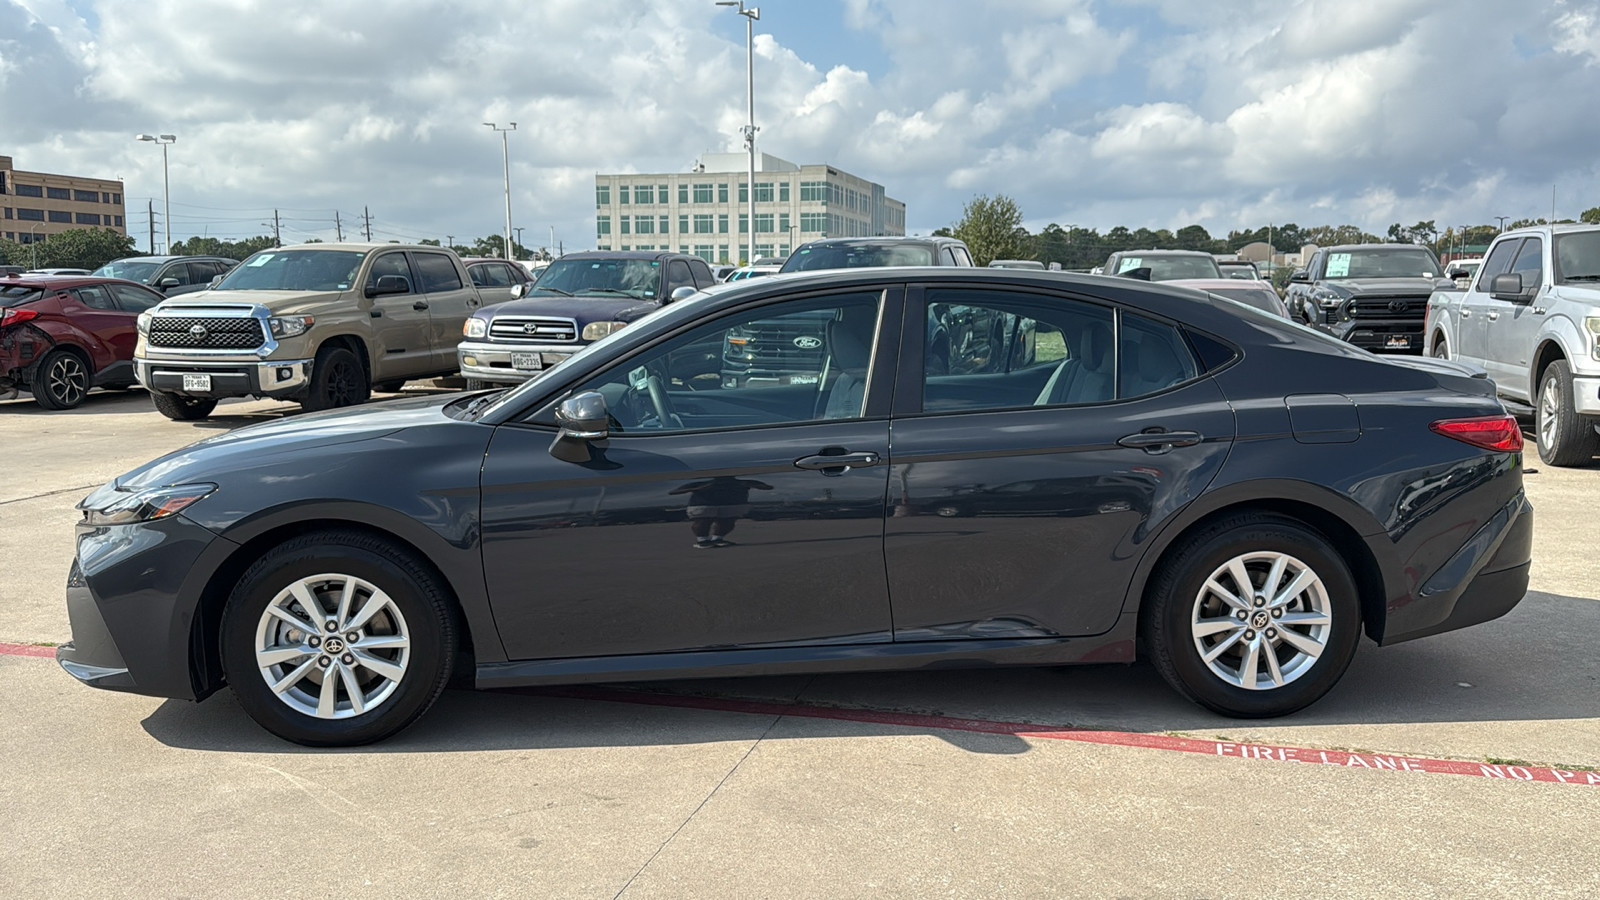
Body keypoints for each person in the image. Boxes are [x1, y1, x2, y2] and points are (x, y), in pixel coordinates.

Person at [668, 476, 773, 548]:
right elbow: (673, 492)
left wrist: (752, 486)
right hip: (704, 504)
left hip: (732, 504)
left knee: (728, 522)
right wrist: (699, 488)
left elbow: (768, 487)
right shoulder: (702, 483)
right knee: (703, 521)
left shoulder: (742, 482)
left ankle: (718, 539)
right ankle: (702, 540)